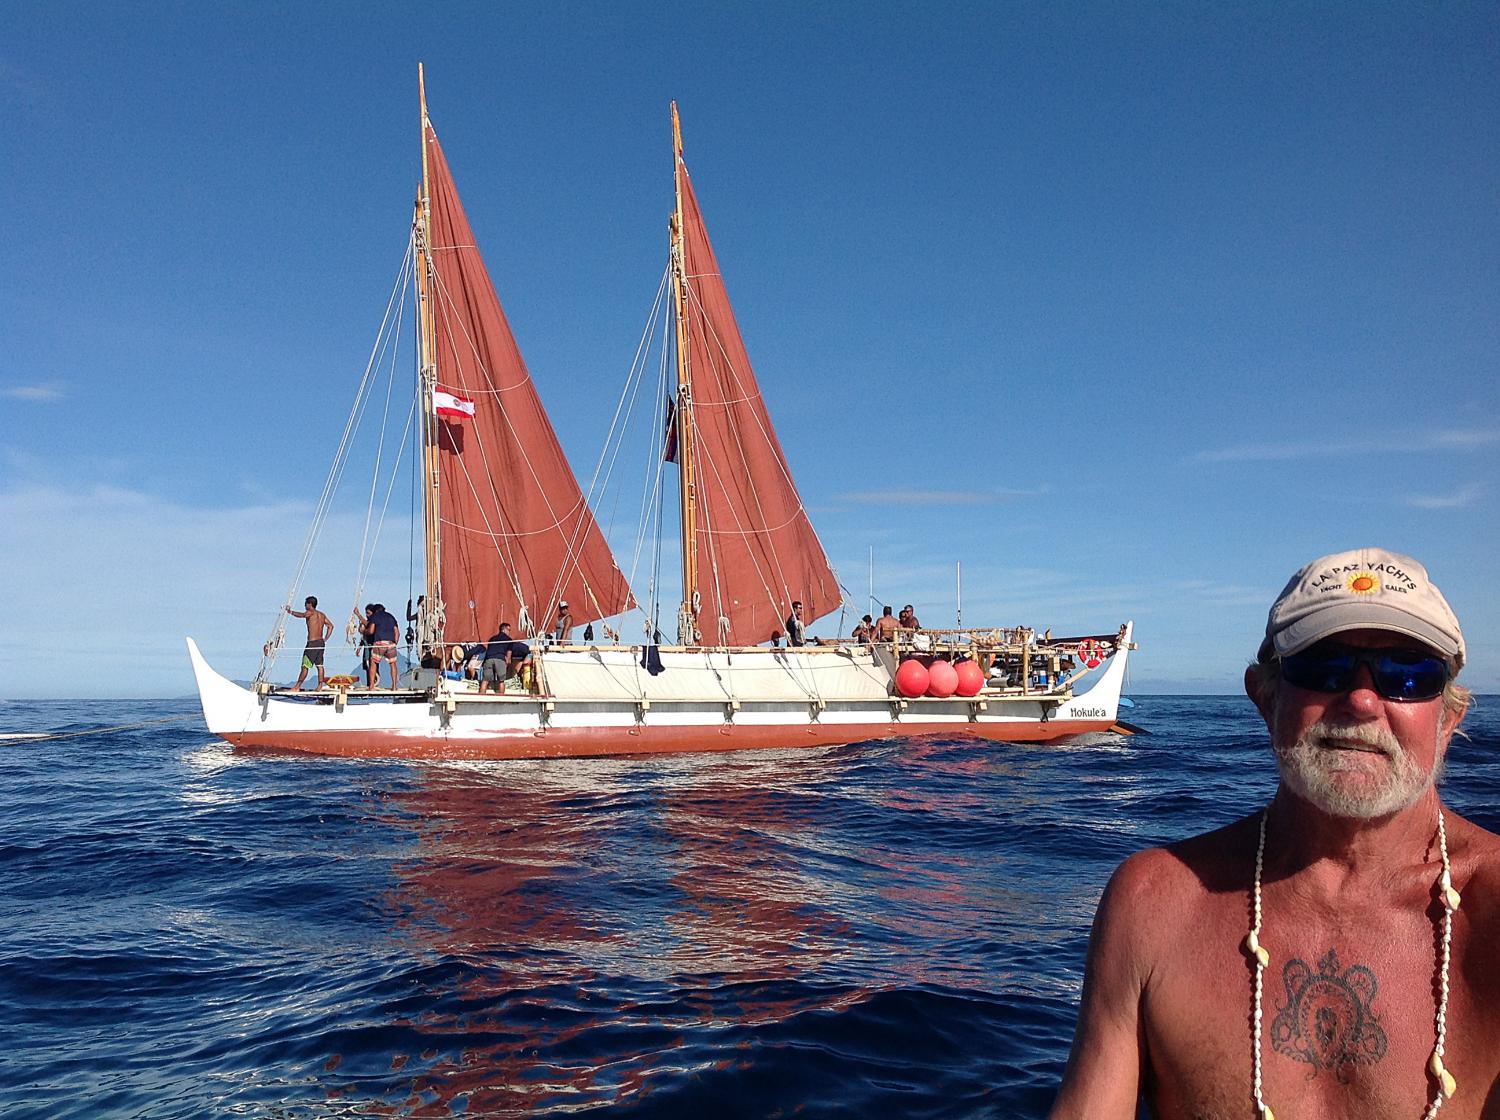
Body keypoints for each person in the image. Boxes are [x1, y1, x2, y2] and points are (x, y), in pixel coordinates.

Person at [1050, 548, 1500, 1119]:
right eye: (1323, 666)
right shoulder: (1153, 903)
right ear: (1264, 696)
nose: (1361, 700)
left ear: (1450, 715)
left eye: (1408, 674)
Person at [286, 596, 333, 690]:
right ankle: (319, 686)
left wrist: (290, 612)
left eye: (305, 603)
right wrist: (325, 639)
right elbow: (331, 626)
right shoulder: (322, 615)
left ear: (310, 604)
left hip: (312, 643)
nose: (304, 605)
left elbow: (302, 615)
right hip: (320, 643)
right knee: (320, 665)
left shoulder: (310, 613)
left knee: (305, 665)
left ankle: (297, 686)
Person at [477, 622, 531, 695]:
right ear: (504, 630)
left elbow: (489, 650)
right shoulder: (508, 640)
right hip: (500, 659)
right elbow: (508, 656)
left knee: (485, 680)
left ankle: (481, 697)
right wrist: (507, 665)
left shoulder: (492, 639)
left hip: (489, 659)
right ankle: (501, 698)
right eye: (509, 630)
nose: (509, 632)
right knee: (501, 681)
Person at [365, 602, 400, 689]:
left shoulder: (375, 617)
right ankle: (394, 686)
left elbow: (371, 631)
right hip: (391, 643)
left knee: (373, 662)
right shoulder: (391, 617)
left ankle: (372, 686)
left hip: (379, 642)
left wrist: (363, 631)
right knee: (393, 664)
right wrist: (394, 643)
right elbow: (397, 632)